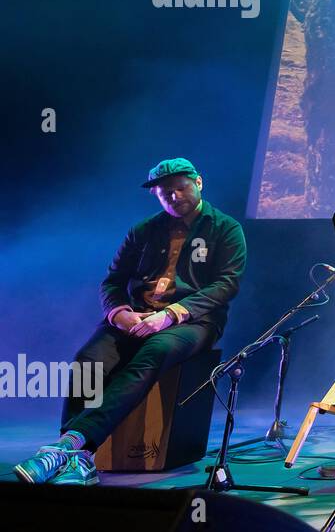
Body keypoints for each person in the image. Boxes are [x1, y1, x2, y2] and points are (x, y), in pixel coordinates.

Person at [14, 158, 246, 485]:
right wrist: (119, 312)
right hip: (136, 315)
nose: (175, 197)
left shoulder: (225, 229)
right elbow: (113, 281)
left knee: (155, 350)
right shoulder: (144, 230)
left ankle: (70, 446)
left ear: (198, 183)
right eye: (166, 193)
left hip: (193, 321)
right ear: (156, 195)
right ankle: (79, 461)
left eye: (181, 188)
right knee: (87, 361)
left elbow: (225, 285)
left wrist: (169, 315)